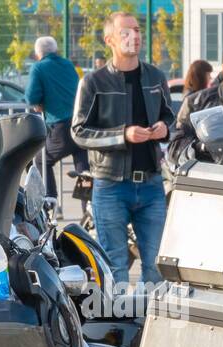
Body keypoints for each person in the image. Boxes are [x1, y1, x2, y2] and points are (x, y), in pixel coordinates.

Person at [71, 10, 172, 286]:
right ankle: (117, 326)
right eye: (126, 32)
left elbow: (170, 117)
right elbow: (78, 131)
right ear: (111, 40)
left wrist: (165, 128)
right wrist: (122, 135)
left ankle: (149, 324)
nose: (135, 37)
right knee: (115, 268)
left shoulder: (155, 77)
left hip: (151, 184)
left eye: (137, 30)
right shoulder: (93, 82)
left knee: (157, 267)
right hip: (111, 185)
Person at [25, 36, 89, 199]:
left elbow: (31, 97)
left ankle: (49, 202)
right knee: (84, 168)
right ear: (55, 50)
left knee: (40, 161)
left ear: (38, 53)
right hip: (81, 122)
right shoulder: (67, 64)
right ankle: (89, 206)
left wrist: (40, 102)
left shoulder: (38, 68)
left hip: (60, 125)